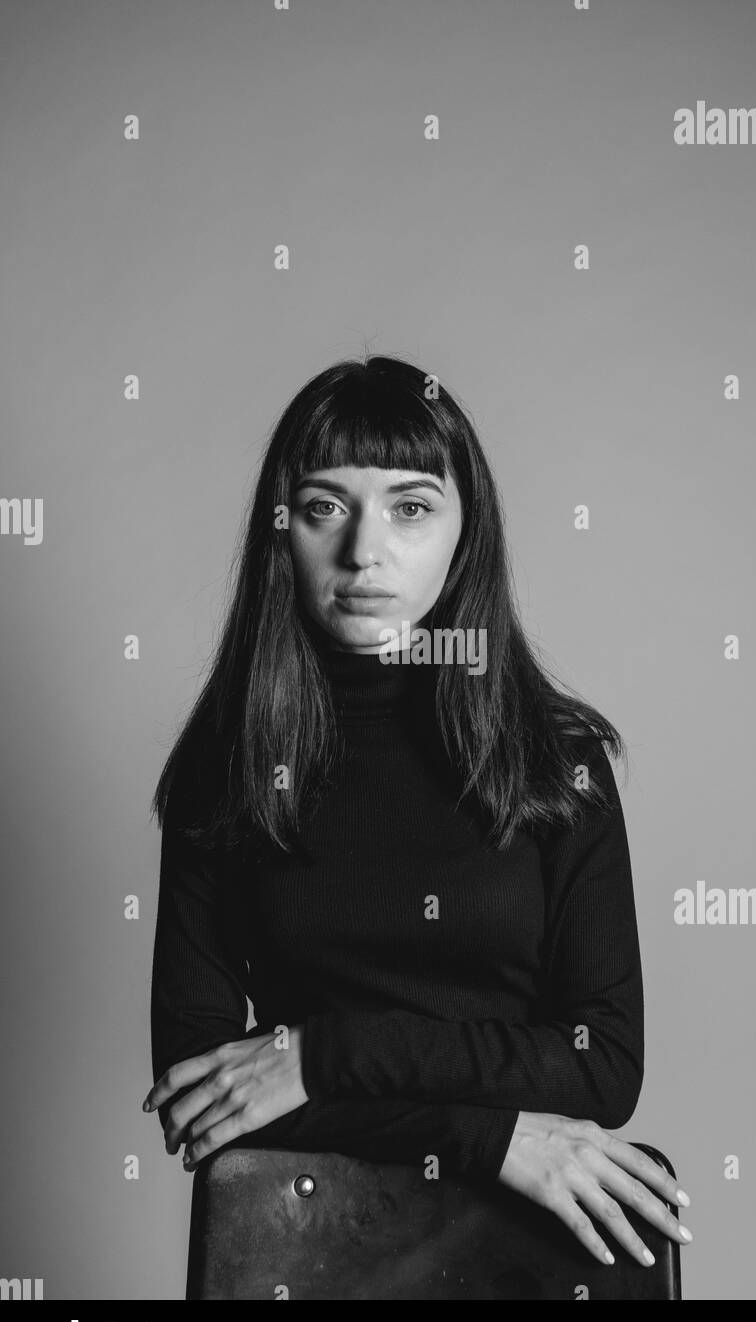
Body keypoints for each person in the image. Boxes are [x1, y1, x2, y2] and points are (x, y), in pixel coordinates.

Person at [142, 354, 692, 1273]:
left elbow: (601, 1065)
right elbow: (204, 1095)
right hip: (299, 1254)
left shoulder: (558, 764)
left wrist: (319, 1058)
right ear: (283, 532)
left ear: (463, 532)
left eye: (410, 507)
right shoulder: (227, 770)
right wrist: (493, 1136)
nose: (364, 551)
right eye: (325, 507)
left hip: (531, 1254)